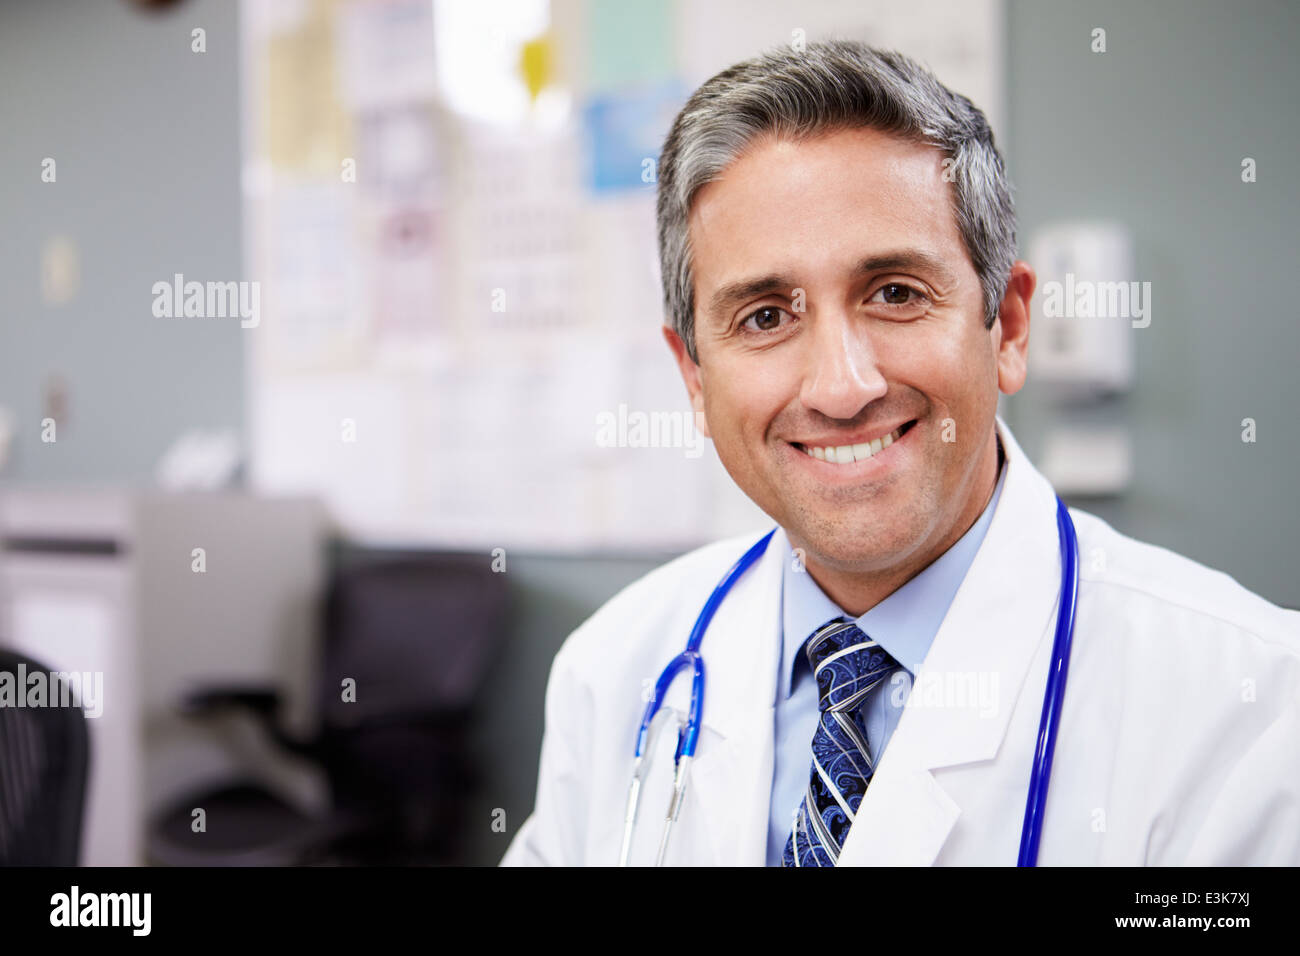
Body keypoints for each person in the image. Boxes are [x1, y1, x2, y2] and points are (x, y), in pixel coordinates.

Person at [500, 41, 1300, 866]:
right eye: (766, 317)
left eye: (894, 294)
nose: (841, 388)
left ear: (1010, 329)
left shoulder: (1255, 710)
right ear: (694, 378)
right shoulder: (615, 670)